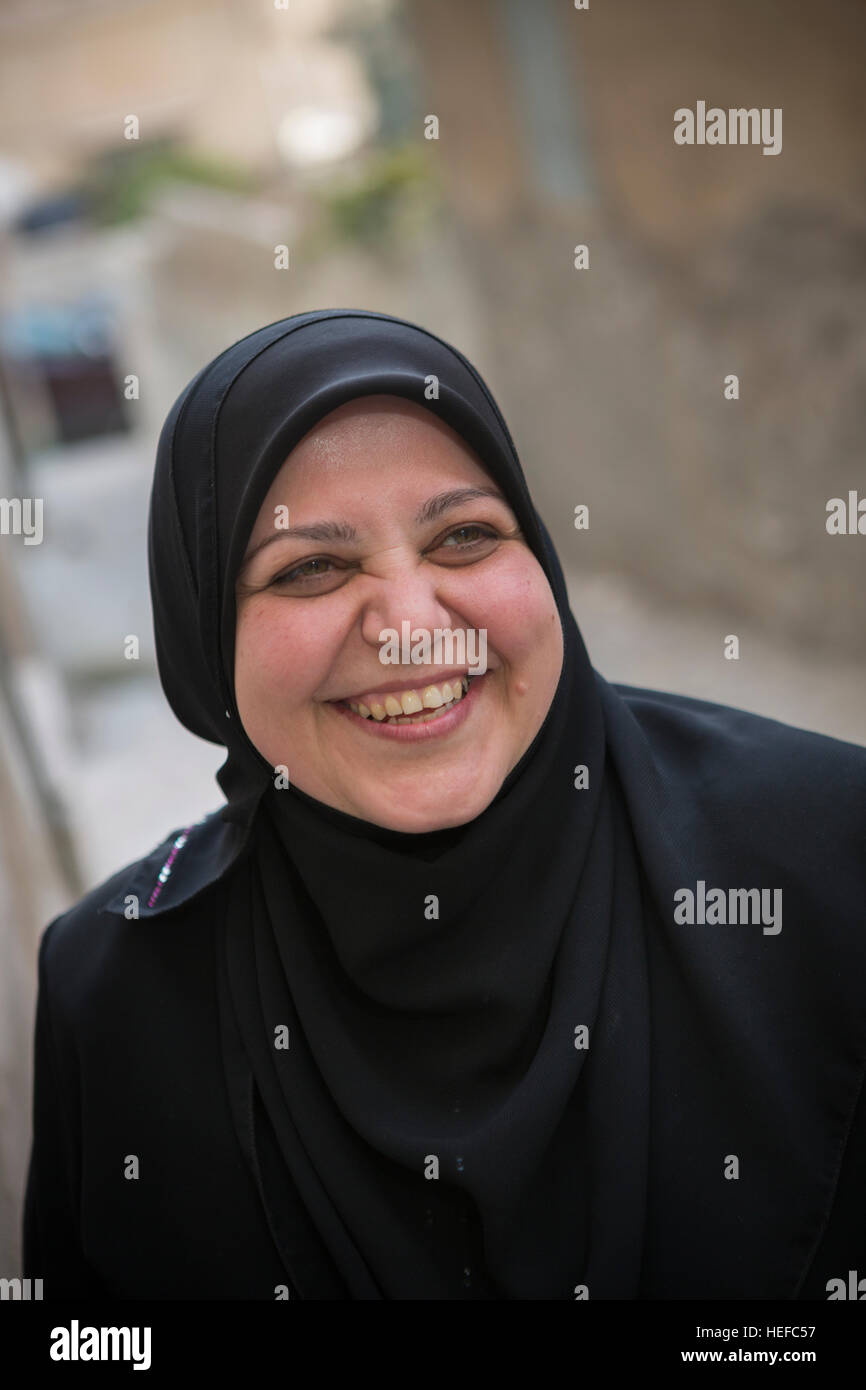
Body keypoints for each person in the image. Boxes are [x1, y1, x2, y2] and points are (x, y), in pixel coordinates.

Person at [22, 309, 866, 1300]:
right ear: (208, 637)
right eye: (311, 568)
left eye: (463, 536)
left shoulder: (823, 855)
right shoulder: (120, 987)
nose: (412, 629)